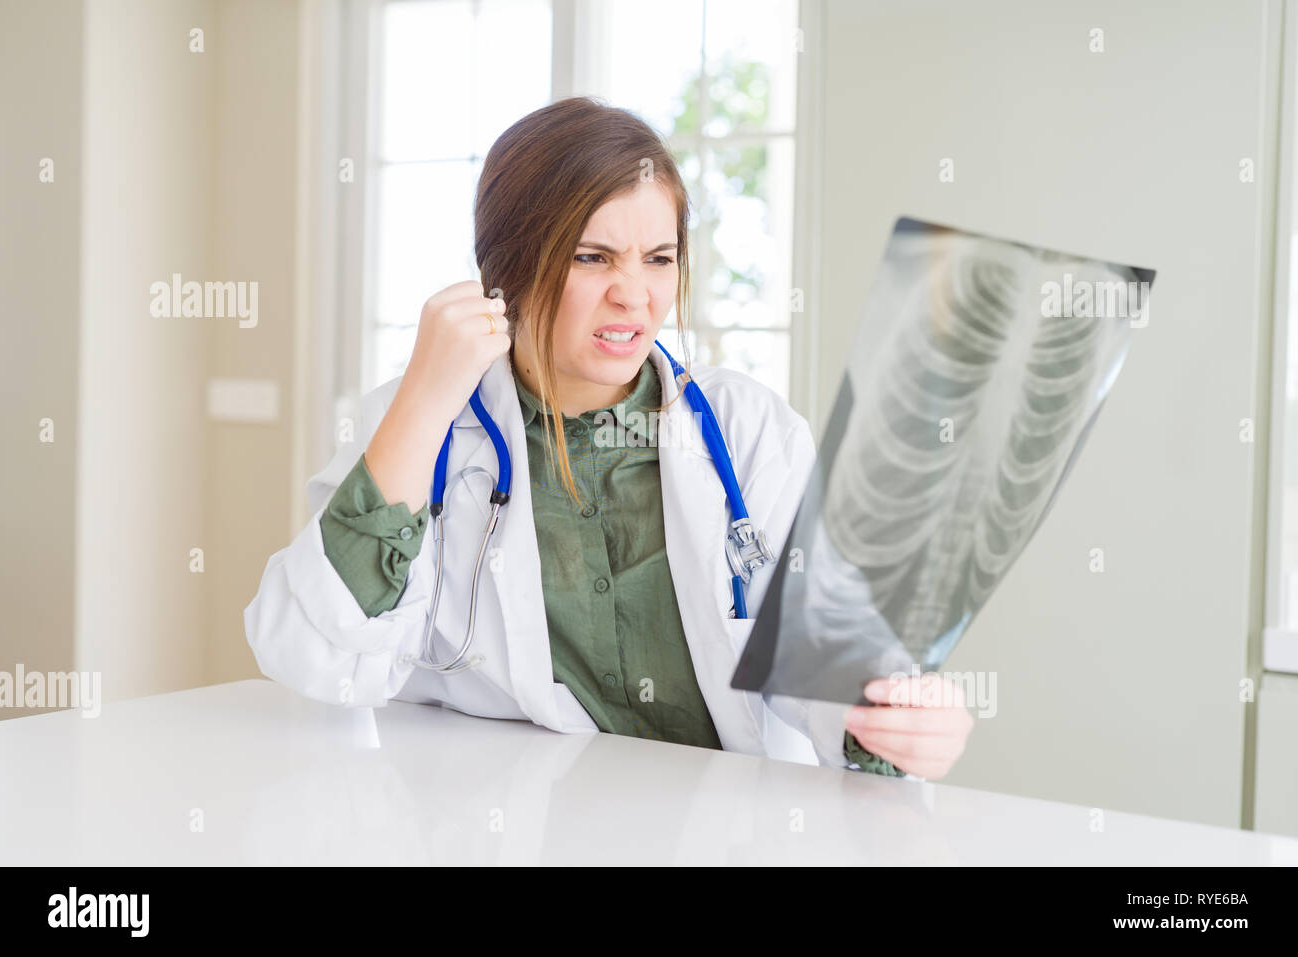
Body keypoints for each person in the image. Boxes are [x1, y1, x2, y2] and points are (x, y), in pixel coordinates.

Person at [244, 96, 973, 780]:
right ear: (509, 268)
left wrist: (886, 717)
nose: (636, 293)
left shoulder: (749, 434)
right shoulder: (420, 429)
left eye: (659, 257)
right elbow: (314, 656)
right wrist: (427, 398)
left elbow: (832, 654)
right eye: (593, 257)